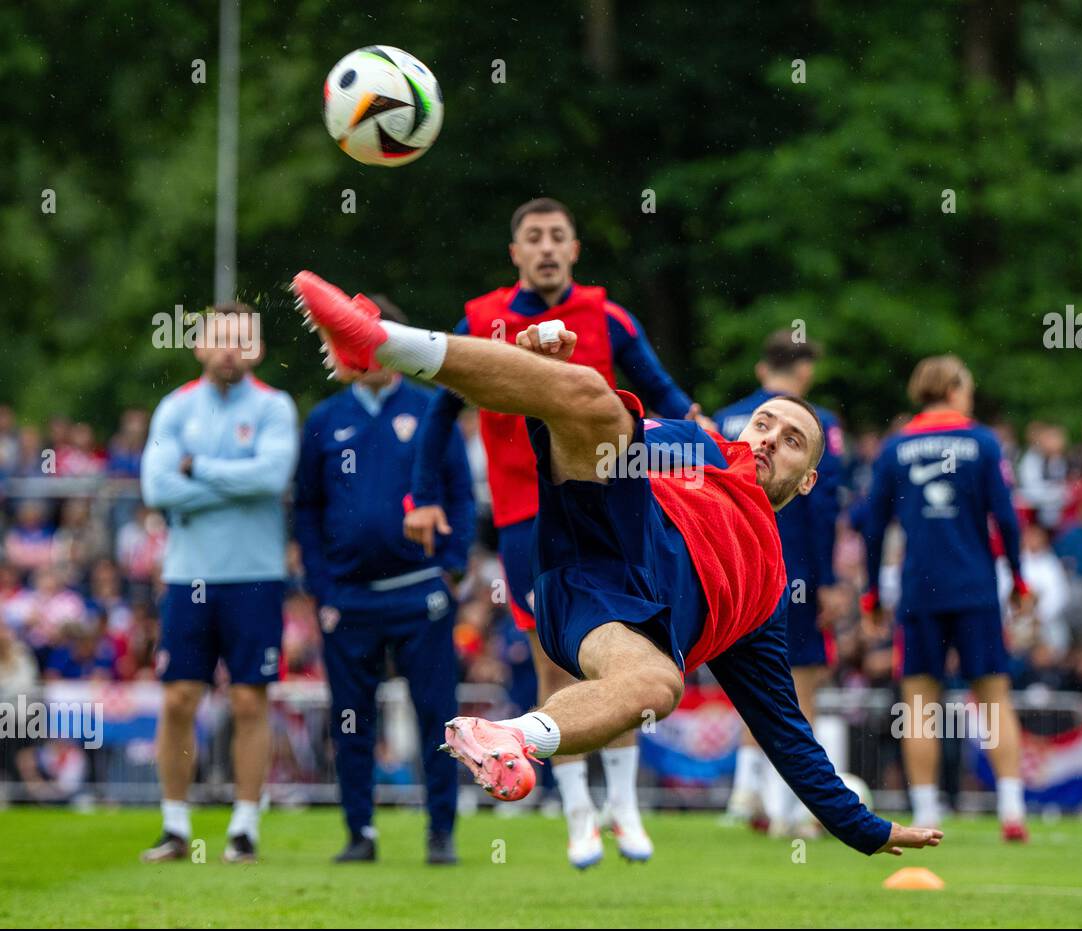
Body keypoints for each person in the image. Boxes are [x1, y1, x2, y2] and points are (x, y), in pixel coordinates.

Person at [290, 268, 942, 859]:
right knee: (595, 396)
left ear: (807, 482)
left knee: (661, 686)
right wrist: (551, 397)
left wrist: (863, 827)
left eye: (792, 439)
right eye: (764, 423)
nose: (769, 437)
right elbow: (609, 443)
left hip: (615, 628)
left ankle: (510, 737)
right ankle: (380, 343)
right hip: (599, 529)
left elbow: (789, 735)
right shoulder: (701, 445)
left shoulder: (768, 593)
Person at [403, 198, 708, 868]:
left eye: (557, 237)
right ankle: (578, 816)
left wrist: (710, 448)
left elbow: (664, 392)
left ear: (574, 251)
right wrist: (422, 496)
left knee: (622, 653)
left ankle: (624, 809)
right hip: (523, 517)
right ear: (515, 253)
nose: (545, 248)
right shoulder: (482, 319)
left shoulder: (606, 315)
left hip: (608, 512)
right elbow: (437, 415)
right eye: (532, 238)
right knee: (553, 660)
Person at [295, 296, 475, 865]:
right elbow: (305, 508)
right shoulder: (324, 420)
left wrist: (452, 569)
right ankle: (360, 833)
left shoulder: (430, 410)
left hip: (420, 591)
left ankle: (441, 832)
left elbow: (461, 495)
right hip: (347, 600)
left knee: (437, 717)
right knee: (351, 721)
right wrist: (322, 589)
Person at [139, 302, 298, 863]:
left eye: (241, 338)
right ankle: (176, 825)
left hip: (255, 577)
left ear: (255, 347)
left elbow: (272, 477)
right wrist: (235, 481)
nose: (229, 347)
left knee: (251, 700)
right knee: (180, 697)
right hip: (188, 577)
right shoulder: (174, 409)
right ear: (199, 344)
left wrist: (197, 469)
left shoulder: (275, 407)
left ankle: (244, 827)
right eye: (219, 337)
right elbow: (157, 489)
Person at [854, 355, 1031, 841]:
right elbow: (1008, 519)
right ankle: (1012, 812)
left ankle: (927, 813)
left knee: (919, 705)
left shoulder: (894, 449)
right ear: (953, 388)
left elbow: (872, 527)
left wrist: (871, 593)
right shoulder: (982, 441)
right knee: (993, 698)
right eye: (967, 386)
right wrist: (1019, 580)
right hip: (975, 587)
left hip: (919, 591)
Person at [714, 330, 846, 837]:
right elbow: (823, 507)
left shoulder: (733, 419)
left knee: (750, 677)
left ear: (761, 367)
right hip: (792, 570)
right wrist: (829, 580)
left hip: (728, 564)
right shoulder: (817, 426)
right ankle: (796, 809)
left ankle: (746, 793)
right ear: (806, 371)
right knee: (800, 684)